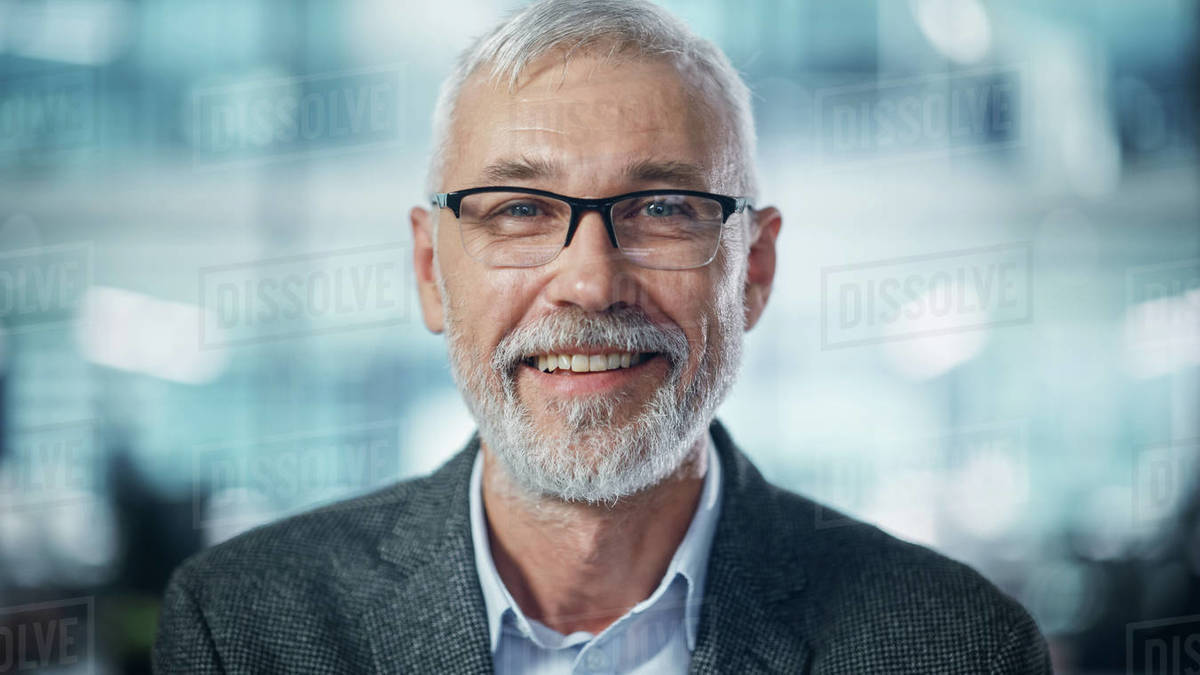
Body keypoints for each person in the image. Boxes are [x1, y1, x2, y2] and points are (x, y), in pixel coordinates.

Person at [154, 0, 1052, 672]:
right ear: (431, 271)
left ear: (754, 270)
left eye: (662, 208)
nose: (590, 279)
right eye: (518, 210)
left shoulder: (954, 644)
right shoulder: (243, 626)